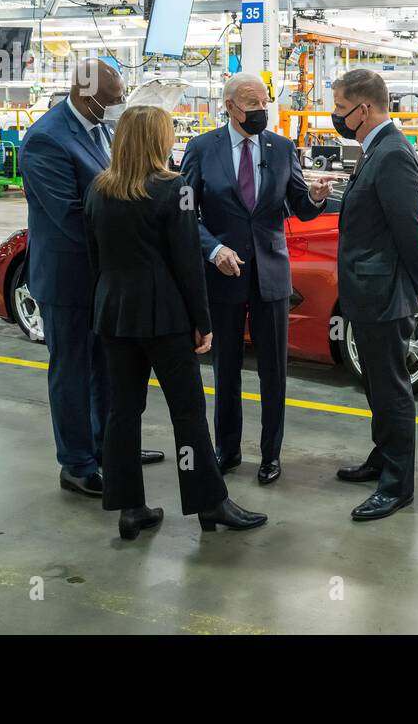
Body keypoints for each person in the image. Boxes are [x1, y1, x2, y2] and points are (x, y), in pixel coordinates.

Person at [85, 106, 266, 538]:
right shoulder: (174, 189)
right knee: (187, 412)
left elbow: (94, 256)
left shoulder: (98, 189)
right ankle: (210, 503)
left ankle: (130, 508)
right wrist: (202, 322)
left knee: (122, 412)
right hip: (164, 317)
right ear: (157, 141)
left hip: (113, 314)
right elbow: (188, 263)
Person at [19, 60, 164, 499]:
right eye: (116, 97)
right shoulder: (46, 139)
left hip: (102, 275)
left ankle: (111, 447)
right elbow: (69, 217)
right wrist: (136, 234)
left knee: (108, 366)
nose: (121, 103)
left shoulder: (100, 127)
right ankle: (77, 463)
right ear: (87, 95)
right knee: (73, 372)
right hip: (67, 280)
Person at [180, 73, 331, 485]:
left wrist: (315, 197)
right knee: (225, 369)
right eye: (251, 104)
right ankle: (226, 450)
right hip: (223, 274)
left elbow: (299, 205)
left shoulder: (281, 148)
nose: (260, 111)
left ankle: (270, 454)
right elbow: (185, 213)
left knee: (273, 371)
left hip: (271, 276)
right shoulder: (201, 148)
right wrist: (213, 248)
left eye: (264, 102)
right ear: (229, 106)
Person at [330, 69, 418, 522]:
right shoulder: (374, 149)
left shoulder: (392, 153)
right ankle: (382, 457)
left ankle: (397, 485)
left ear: (364, 109)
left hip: (385, 293)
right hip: (367, 289)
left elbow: (411, 227)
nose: (335, 116)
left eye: (339, 108)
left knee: (392, 390)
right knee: (375, 383)